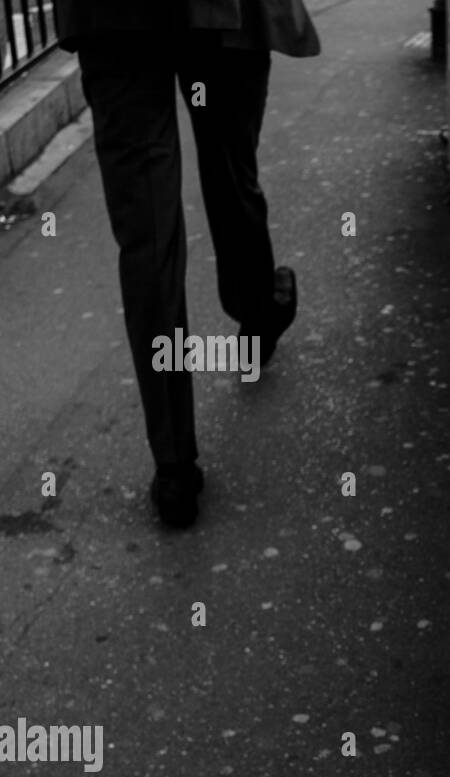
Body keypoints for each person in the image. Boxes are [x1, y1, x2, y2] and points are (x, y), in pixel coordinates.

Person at [53, 0, 320, 527]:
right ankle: (258, 313)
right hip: (215, 13)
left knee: (149, 238)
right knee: (230, 169)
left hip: (111, 20)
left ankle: (174, 465)